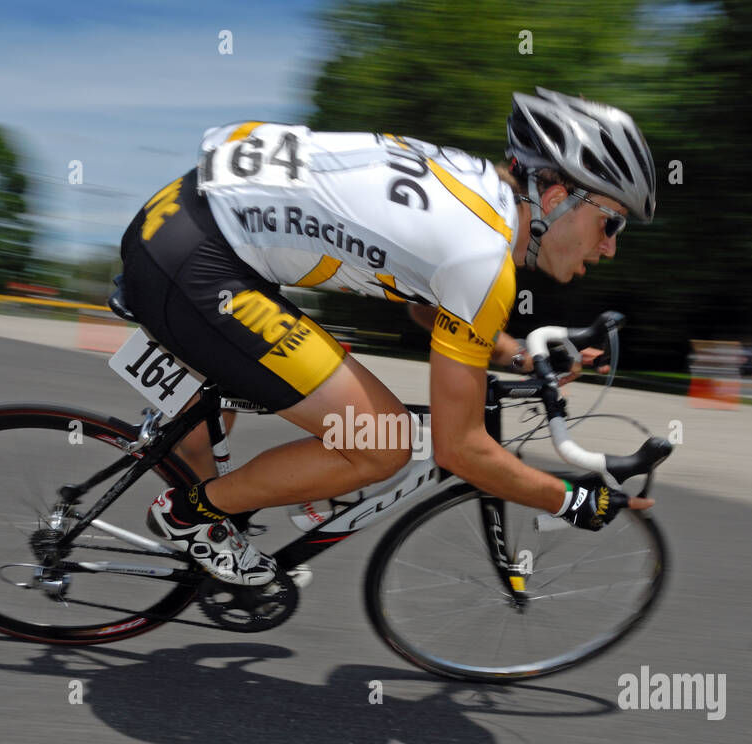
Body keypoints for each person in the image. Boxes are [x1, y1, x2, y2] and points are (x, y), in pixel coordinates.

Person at [117, 87, 658, 586]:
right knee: (381, 442)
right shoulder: (483, 256)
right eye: (611, 223)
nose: (610, 247)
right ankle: (189, 516)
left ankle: (193, 460)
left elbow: (433, 312)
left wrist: (517, 356)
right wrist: (567, 499)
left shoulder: (476, 187)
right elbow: (460, 448)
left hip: (186, 218)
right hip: (199, 262)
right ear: (559, 195)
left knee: (294, 411)